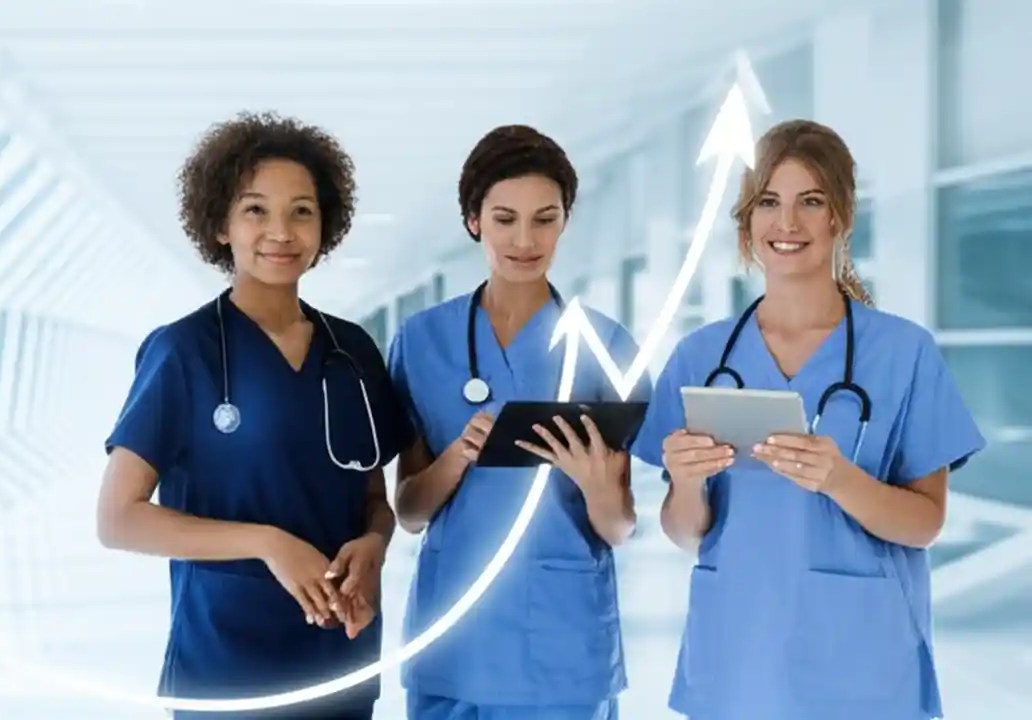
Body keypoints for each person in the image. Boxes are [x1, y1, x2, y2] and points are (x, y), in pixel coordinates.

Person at [631, 119, 986, 720]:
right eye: (768, 202)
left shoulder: (904, 353)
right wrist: (687, 482)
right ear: (747, 219)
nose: (787, 223)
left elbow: (925, 523)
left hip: (862, 663)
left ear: (840, 217)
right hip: (736, 657)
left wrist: (839, 479)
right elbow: (687, 534)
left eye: (810, 201)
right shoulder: (702, 357)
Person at [96, 111, 415, 719]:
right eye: (255, 210)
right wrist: (269, 544)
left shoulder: (352, 351)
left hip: (338, 661)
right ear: (220, 224)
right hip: (224, 669)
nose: (281, 231)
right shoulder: (182, 351)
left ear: (326, 224)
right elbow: (118, 519)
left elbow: (372, 495)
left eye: (301, 210)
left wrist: (375, 543)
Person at [388, 125, 650, 720]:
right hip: (453, 643)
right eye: (505, 218)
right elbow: (409, 512)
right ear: (473, 219)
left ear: (565, 222)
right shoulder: (423, 341)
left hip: (562, 648)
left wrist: (595, 484)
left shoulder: (606, 347)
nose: (525, 240)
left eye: (545, 219)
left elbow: (620, 527)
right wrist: (457, 456)